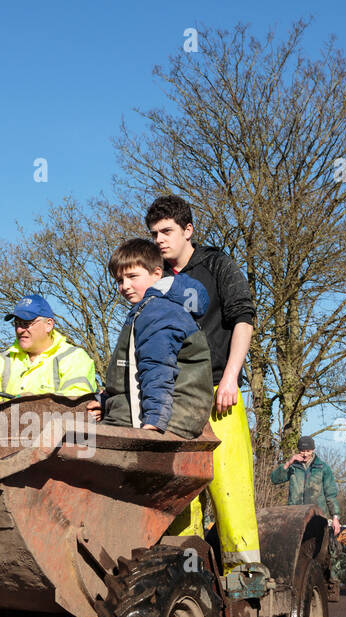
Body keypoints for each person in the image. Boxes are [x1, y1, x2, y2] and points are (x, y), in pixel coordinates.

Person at [146, 195, 263, 590]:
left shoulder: (217, 265)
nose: (160, 240)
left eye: (167, 232)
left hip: (219, 392)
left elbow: (243, 319)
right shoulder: (157, 278)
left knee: (229, 486)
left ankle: (245, 578)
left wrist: (231, 377)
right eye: (154, 233)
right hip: (174, 400)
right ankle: (188, 581)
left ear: (188, 231)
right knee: (179, 491)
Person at [88, 238, 213, 438]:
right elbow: (131, 370)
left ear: (156, 273)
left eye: (132, 276)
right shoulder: (151, 309)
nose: (125, 286)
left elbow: (158, 365)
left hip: (156, 417)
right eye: (120, 280)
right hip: (144, 411)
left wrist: (155, 421)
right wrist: (105, 401)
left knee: (72, 446)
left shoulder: (157, 310)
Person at [0, 294, 98, 398]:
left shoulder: (74, 358)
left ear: (49, 324)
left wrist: (37, 404)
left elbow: (76, 401)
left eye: (26, 323)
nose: (19, 330)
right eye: (16, 323)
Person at [270, 436, 342, 536]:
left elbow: (331, 494)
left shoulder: (322, 468)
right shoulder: (292, 467)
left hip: (317, 517)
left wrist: (335, 517)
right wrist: (289, 462)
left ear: (313, 450)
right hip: (295, 517)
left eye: (308, 451)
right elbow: (274, 479)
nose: (304, 454)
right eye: (302, 451)